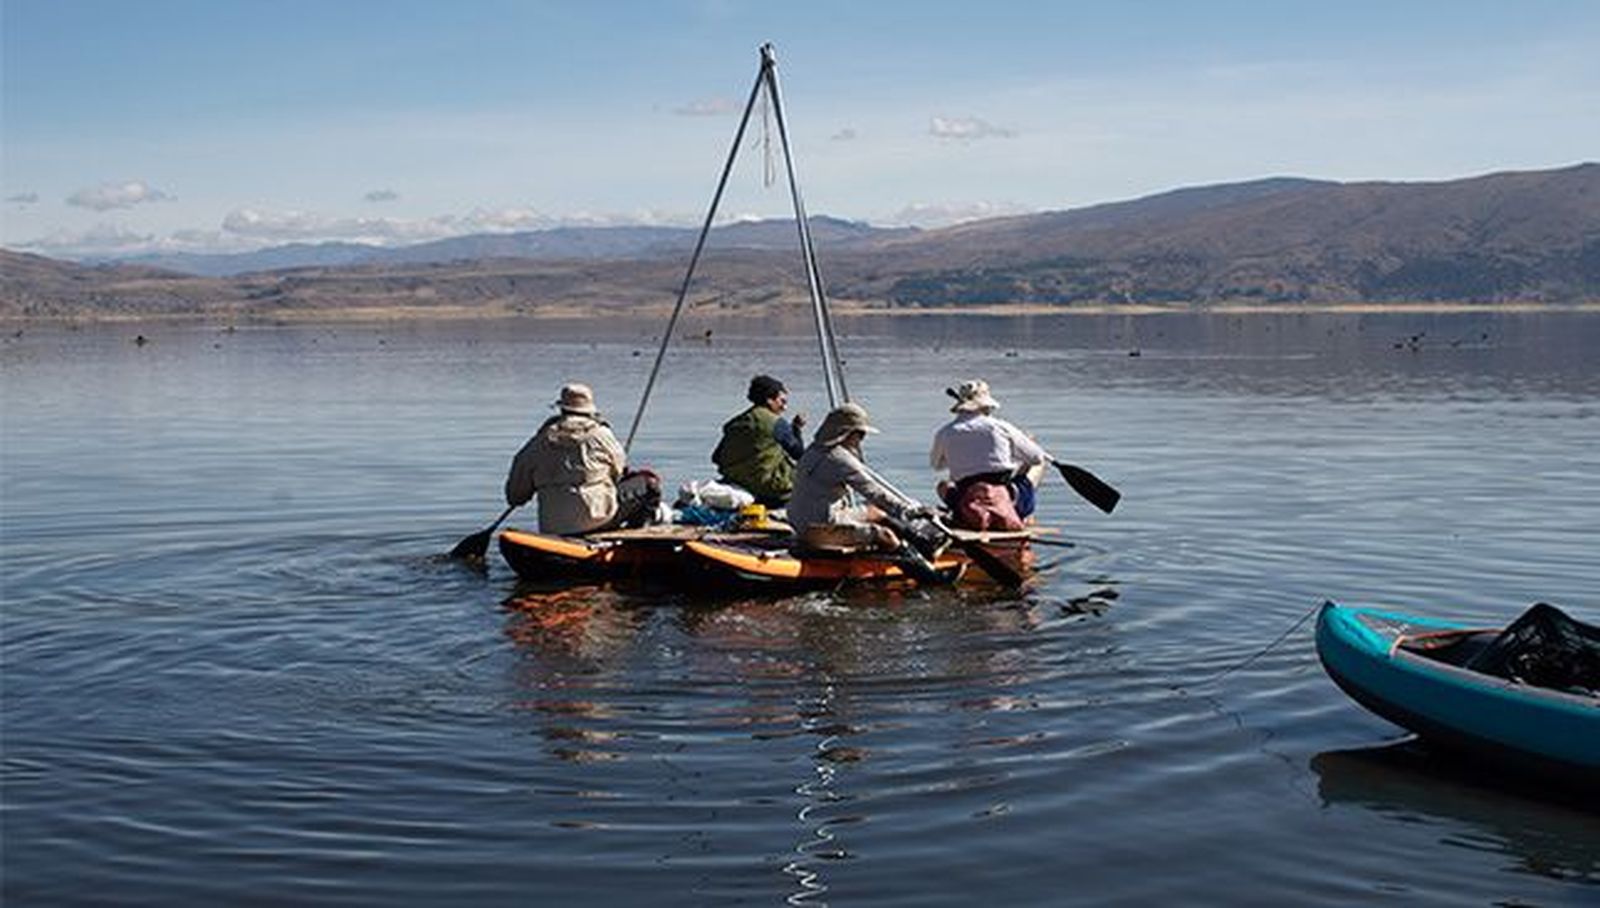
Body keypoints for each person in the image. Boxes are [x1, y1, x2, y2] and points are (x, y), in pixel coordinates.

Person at [504, 383, 660, 536]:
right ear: (590, 410)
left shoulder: (538, 441)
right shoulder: (602, 435)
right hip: (598, 520)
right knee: (650, 484)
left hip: (553, 527)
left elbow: (515, 496)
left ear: (562, 409)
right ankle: (635, 539)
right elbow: (617, 473)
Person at [787, 402, 932, 552]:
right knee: (885, 535)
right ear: (847, 433)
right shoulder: (840, 459)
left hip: (800, 521)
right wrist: (909, 510)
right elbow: (874, 492)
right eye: (861, 434)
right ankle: (925, 570)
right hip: (820, 528)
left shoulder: (813, 450)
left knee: (875, 512)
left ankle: (921, 543)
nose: (862, 439)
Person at [929, 379, 1049, 531]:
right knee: (1039, 464)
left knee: (943, 486)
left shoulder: (945, 432)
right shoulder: (1001, 426)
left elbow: (936, 465)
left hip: (969, 502)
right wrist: (1023, 443)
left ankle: (980, 517)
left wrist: (961, 457)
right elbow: (1037, 457)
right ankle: (1021, 514)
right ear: (986, 404)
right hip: (1003, 497)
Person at [711, 374, 807, 506]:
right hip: (769, 488)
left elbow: (716, 458)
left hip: (737, 482)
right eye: (782, 401)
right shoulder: (776, 423)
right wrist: (796, 429)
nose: (785, 408)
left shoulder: (735, 424)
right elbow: (799, 454)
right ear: (769, 400)